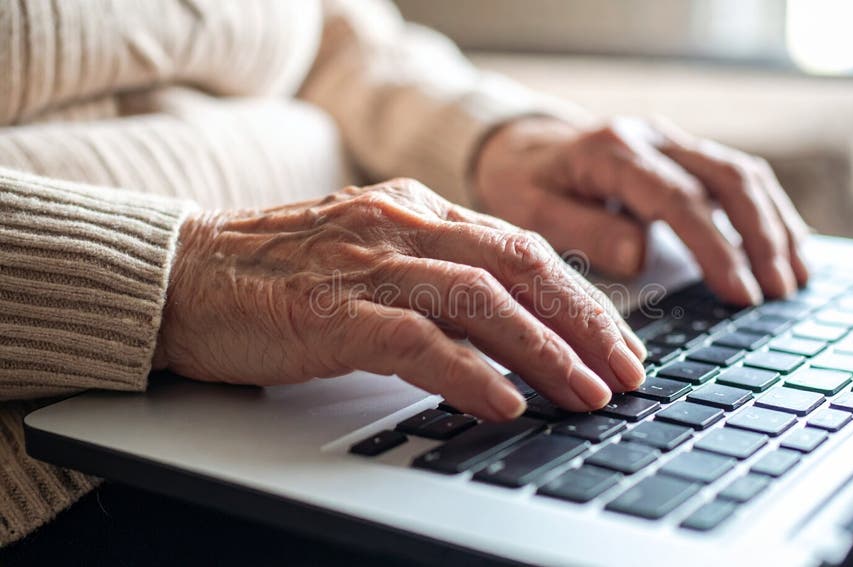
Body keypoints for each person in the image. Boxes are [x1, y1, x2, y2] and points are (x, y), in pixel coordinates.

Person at [0, 0, 809, 548]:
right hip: (65, 458)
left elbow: (324, 31)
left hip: (337, 333)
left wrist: (490, 142)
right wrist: (182, 273)